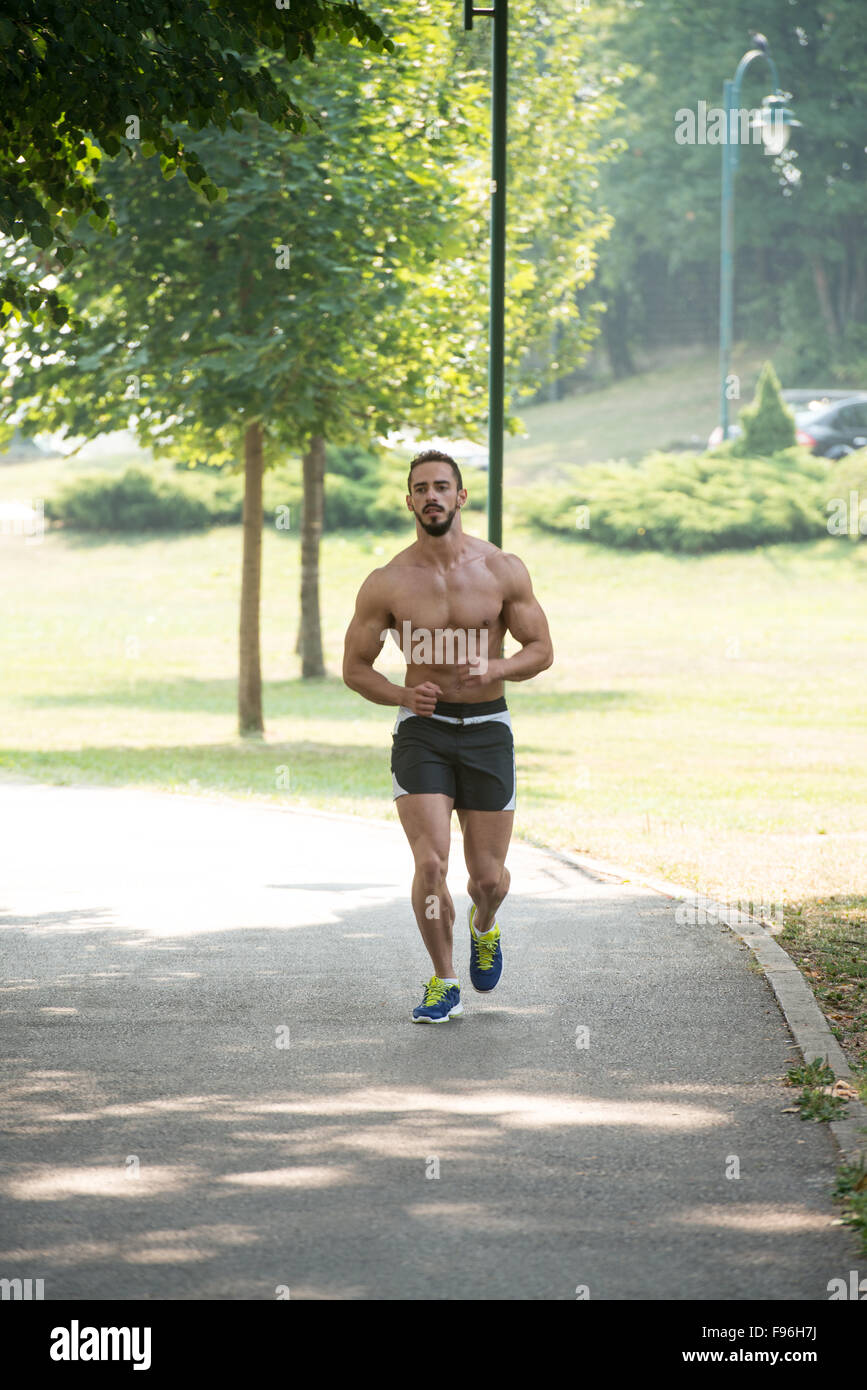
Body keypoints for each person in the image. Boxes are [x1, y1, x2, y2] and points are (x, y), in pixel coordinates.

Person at [342, 448, 553, 1022]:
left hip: (487, 730)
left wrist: (498, 668)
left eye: (442, 486)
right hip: (424, 734)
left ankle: (485, 927)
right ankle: (444, 979)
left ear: (461, 497)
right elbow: (356, 668)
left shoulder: (501, 569)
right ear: (408, 501)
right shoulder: (387, 582)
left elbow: (541, 651)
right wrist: (403, 695)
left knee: (486, 880)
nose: (431, 496)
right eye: (420, 488)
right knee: (430, 863)